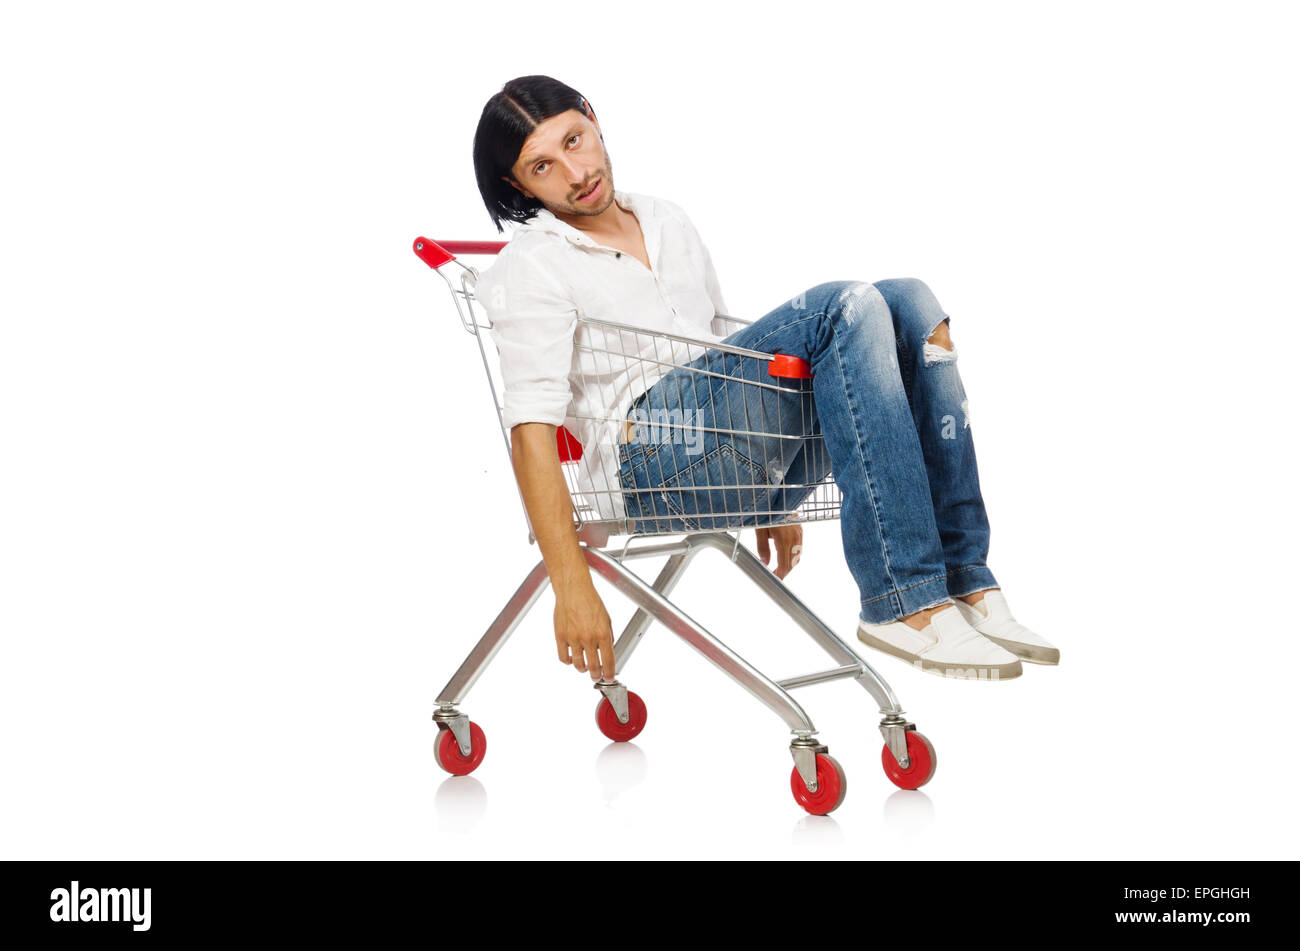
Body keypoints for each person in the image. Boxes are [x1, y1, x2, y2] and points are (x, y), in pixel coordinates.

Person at [471, 74, 1059, 685]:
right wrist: (572, 583)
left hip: (730, 446)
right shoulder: (533, 264)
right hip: (649, 464)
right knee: (844, 306)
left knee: (910, 300)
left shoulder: (666, 219)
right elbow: (530, 427)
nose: (574, 172)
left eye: (575, 140)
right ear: (518, 184)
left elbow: (725, 349)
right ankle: (902, 596)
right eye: (543, 166)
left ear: (593, 119)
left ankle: (966, 579)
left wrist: (773, 475)